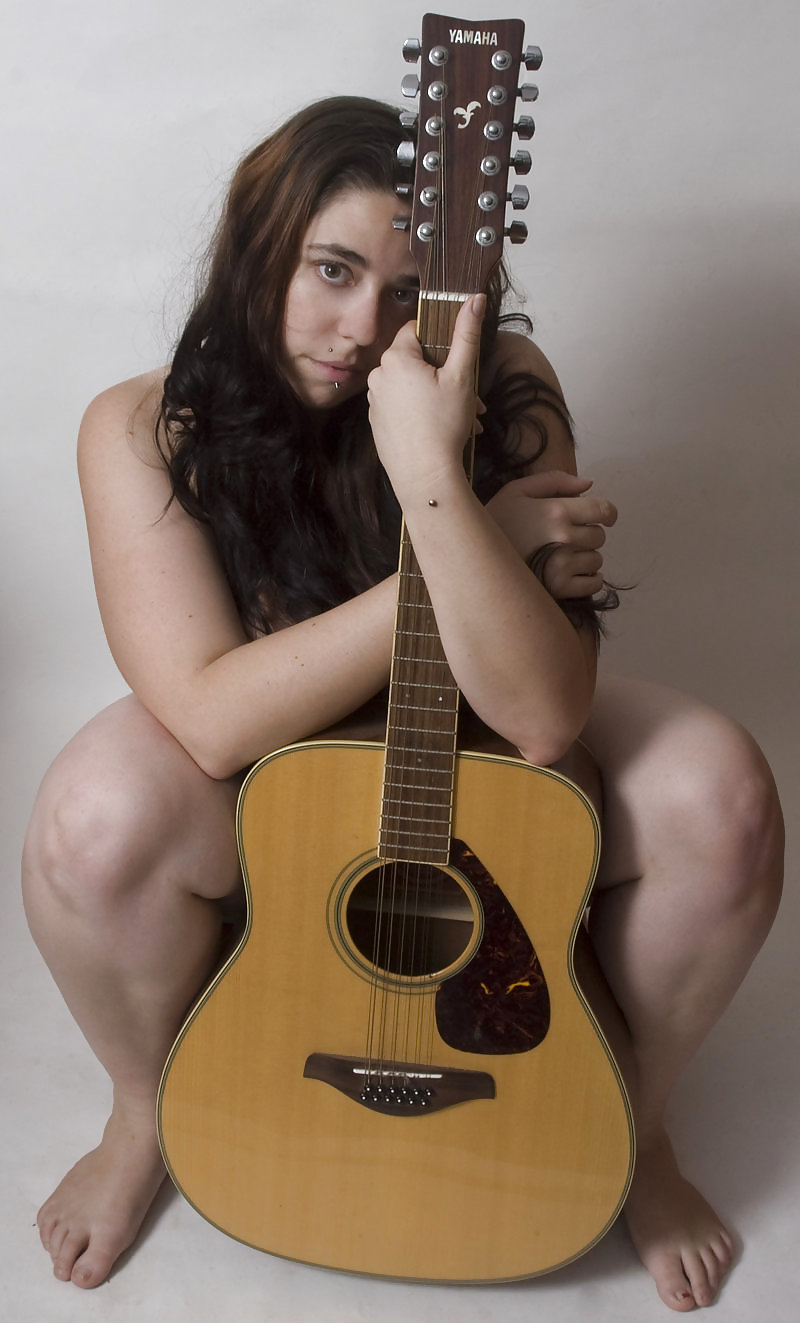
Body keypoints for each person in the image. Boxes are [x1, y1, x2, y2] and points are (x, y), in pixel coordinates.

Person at [21, 97, 782, 1312]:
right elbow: (211, 719)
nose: (363, 329)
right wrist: (471, 543)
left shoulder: (503, 381)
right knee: (89, 822)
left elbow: (541, 717)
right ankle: (142, 1111)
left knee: (724, 800)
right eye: (330, 270)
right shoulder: (143, 426)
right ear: (257, 249)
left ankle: (634, 1129)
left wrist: (429, 464)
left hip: (478, 742)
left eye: (408, 293)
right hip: (264, 769)